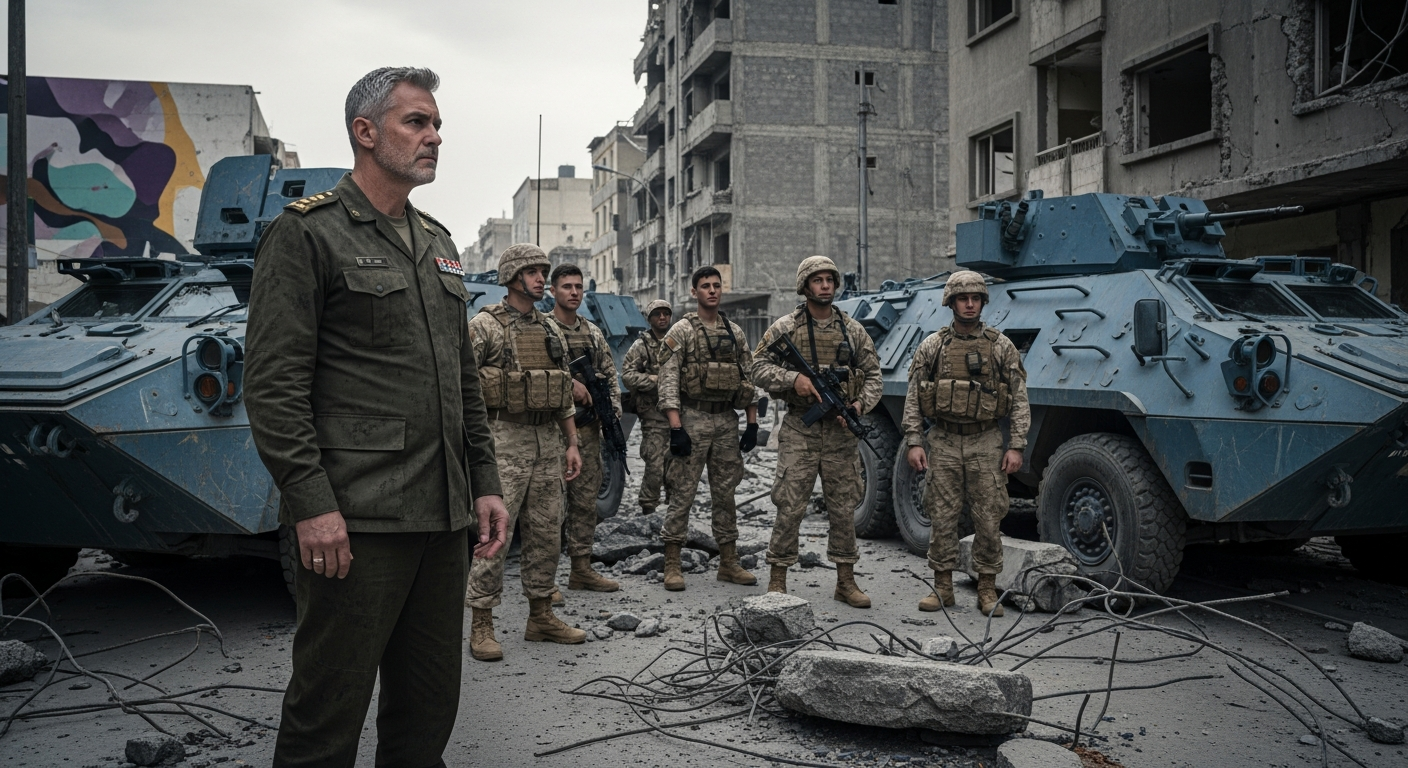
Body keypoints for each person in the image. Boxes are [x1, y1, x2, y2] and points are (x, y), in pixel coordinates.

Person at [244, 67, 510, 768]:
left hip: (443, 519)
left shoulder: (437, 241)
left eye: (437, 124)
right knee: (326, 713)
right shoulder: (308, 236)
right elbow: (273, 388)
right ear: (365, 132)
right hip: (358, 521)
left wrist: (484, 481)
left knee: (426, 712)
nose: (434, 136)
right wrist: (311, 506)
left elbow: (462, 382)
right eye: (416, 122)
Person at [464, 243, 587, 661]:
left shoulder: (550, 329)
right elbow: (462, 388)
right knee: (495, 535)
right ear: (514, 277)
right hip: (503, 441)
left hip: (546, 443)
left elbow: (562, 389)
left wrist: (571, 442)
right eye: (533, 272)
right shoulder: (484, 326)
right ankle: (481, 621)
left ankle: (540, 616)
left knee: (547, 532)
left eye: (542, 272)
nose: (540, 279)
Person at [750, 256, 882, 607]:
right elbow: (758, 367)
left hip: (840, 434)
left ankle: (845, 580)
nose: (825, 285)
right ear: (805, 285)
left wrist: (857, 406)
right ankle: (777, 578)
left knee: (843, 507)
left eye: (829, 279)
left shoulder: (852, 330)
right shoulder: (785, 327)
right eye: (818, 279)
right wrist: (795, 379)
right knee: (790, 504)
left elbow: (873, 376)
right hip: (800, 428)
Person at [901, 270, 1030, 617]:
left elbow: (1019, 398)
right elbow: (914, 397)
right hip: (942, 440)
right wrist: (914, 441)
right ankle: (942, 587)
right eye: (963, 298)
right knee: (941, 516)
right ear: (951, 302)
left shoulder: (1000, 346)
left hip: (985, 441)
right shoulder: (933, 345)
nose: (970, 304)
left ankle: (987, 588)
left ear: (982, 302)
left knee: (989, 518)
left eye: (975, 298)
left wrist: (1016, 445)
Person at [657, 266, 761, 591]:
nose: (712, 291)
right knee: (682, 492)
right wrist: (676, 427)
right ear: (694, 292)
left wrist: (752, 423)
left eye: (716, 286)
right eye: (705, 286)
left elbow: (748, 378)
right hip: (693, 417)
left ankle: (729, 562)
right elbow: (669, 380)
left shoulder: (734, 332)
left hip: (726, 420)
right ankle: (672, 564)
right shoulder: (682, 331)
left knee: (726, 492)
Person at [548, 263, 621, 594]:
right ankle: (543, 583)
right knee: (545, 506)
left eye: (578, 286)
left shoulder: (592, 332)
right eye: (567, 287)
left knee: (585, 502)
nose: (574, 292)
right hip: (550, 433)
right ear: (554, 291)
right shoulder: (543, 330)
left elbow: (610, 375)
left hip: (589, 430)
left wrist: (611, 420)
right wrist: (569, 384)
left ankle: (580, 569)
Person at [620, 300, 673, 515]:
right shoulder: (641, 346)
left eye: (666, 314)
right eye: (657, 314)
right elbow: (628, 376)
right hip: (653, 413)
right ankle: (648, 506)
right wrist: (654, 380)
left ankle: (674, 507)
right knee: (654, 462)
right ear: (649, 318)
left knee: (676, 463)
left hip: (678, 412)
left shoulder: (677, 341)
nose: (662, 318)